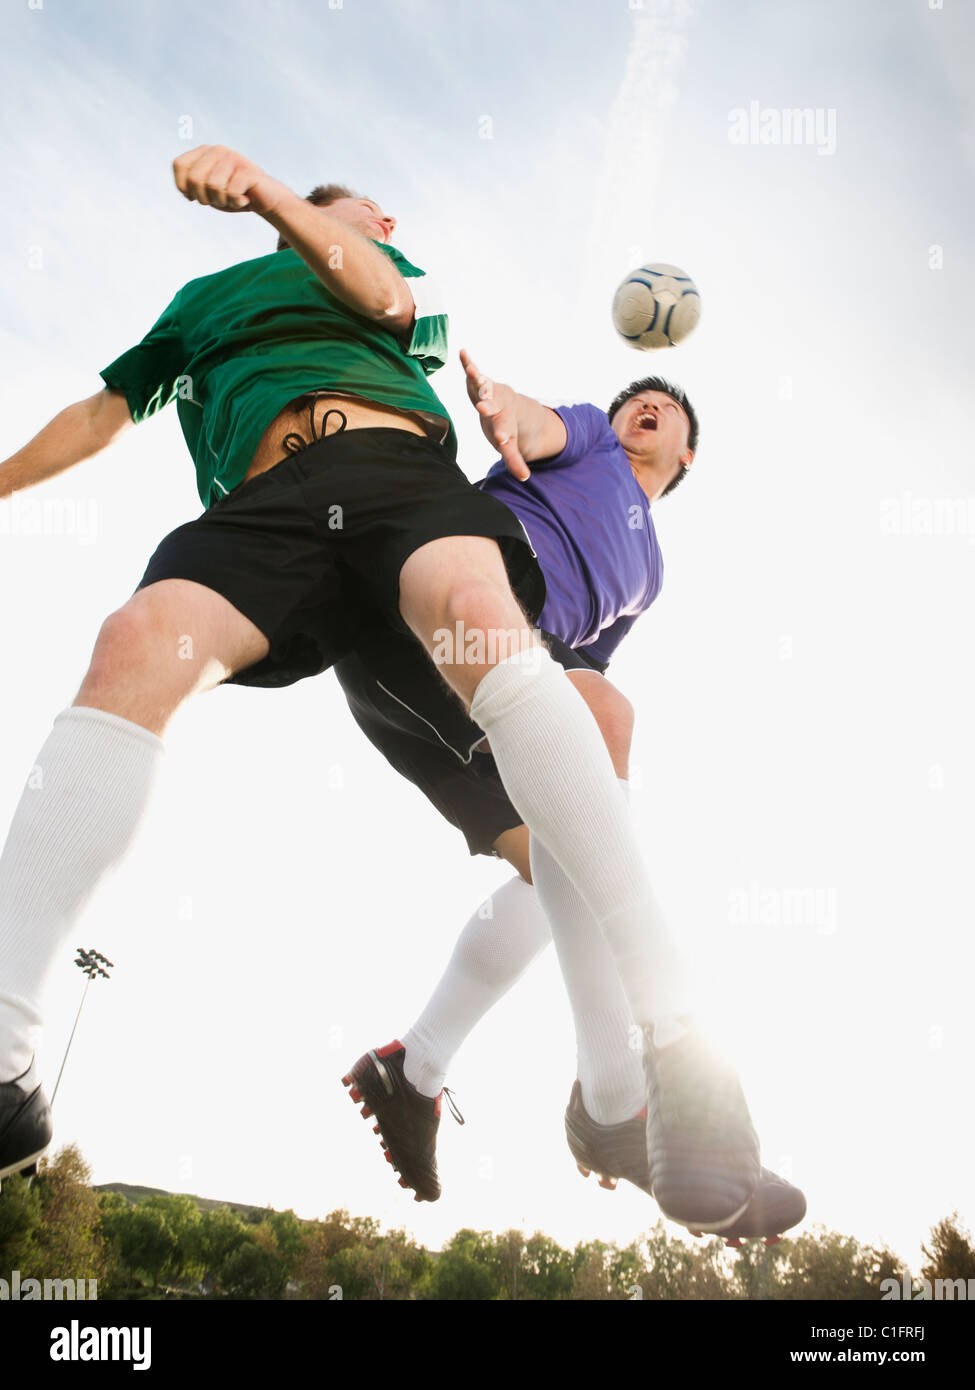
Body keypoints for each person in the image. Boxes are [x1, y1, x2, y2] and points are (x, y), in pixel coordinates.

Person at [0, 147, 758, 1237]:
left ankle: (673, 1043)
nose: (388, 215)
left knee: (506, 647)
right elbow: (100, 411)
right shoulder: (205, 301)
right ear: (322, 207)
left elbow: (380, 290)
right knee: (136, 639)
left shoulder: (399, 272)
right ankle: (5, 1055)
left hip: (394, 481)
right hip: (266, 505)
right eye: (364, 205)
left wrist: (266, 190)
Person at [337, 355, 805, 1243]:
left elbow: (588, 662)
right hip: (432, 609)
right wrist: (505, 413)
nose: (644, 409)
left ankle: (416, 1066)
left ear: (687, 456)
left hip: (496, 676)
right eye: (639, 401)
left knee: (561, 867)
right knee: (598, 722)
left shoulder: (649, 573)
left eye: (662, 409)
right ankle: (623, 1089)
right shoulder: (587, 433)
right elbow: (537, 420)